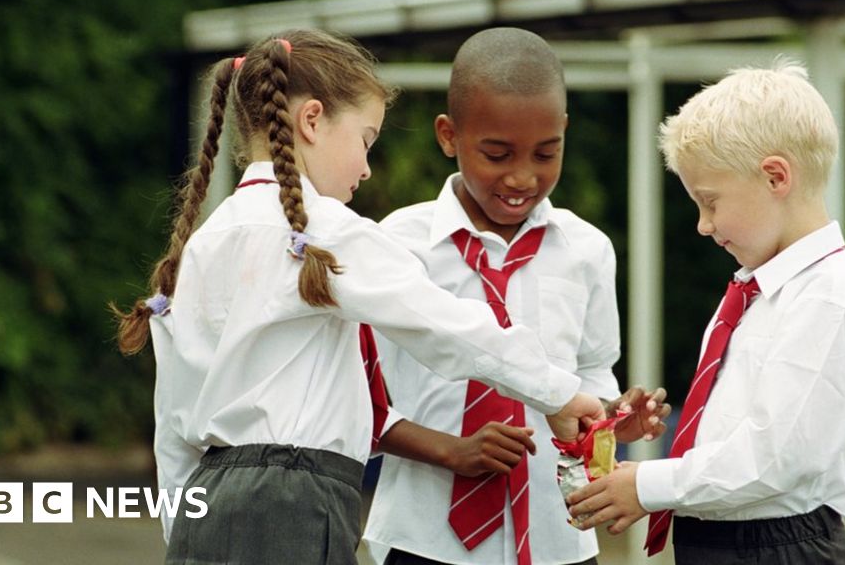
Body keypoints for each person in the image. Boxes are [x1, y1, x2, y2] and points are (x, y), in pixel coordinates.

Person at [109, 29, 604, 565]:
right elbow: (443, 325)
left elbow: (175, 425)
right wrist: (557, 393)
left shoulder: (202, 246)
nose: (367, 168)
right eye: (366, 140)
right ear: (313, 121)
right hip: (296, 501)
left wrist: (182, 528)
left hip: (206, 506)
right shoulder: (328, 231)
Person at [566, 58, 845, 564]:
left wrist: (649, 483)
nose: (704, 225)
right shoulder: (757, 294)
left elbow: (776, 459)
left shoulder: (830, 301)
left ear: (775, 177)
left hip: (780, 546)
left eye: (710, 201)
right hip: (726, 540)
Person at [362, 27, 670, 565]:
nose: (522, 177)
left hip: (559, 541)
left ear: (565, 133)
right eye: (497, 154)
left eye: (546, 153)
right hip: (424, 540)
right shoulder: (395, 246)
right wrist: (450, 451)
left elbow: (591, 381)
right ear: (448, 136)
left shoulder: (587, 250)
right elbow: (362, 404)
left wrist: (613, 422)